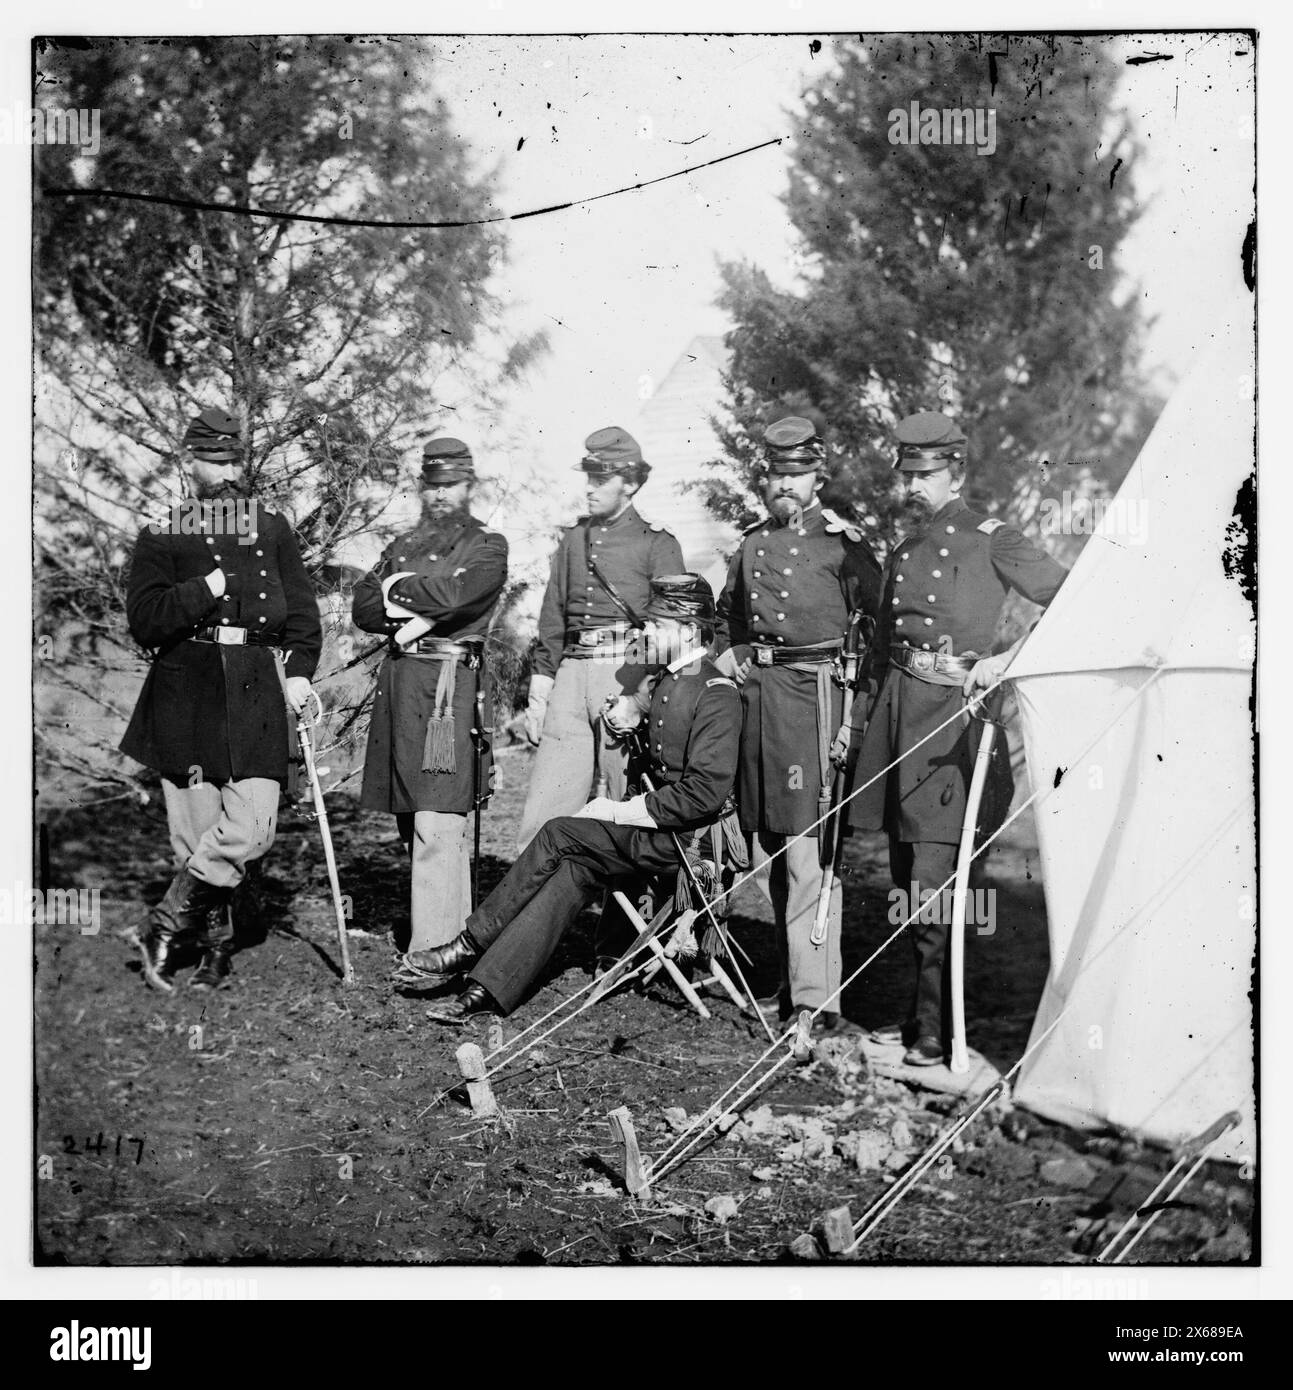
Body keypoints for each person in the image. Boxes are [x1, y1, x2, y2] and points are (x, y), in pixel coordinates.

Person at [394, 575, 740, 1025]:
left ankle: (469, 945)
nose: (645, 633)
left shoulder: (716, 693)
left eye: (657, 625)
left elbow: (702, 795)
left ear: (690, 631)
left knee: (559, 832)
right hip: (660, 832)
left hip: (691, 845)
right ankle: (484, 992)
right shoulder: (665, 681)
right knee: (572, 871)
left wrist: (617, 810)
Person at [844, 410, 1068, 1066]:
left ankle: (936, 1031)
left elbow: (1069, 595)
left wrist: (1008, 660)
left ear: (956, 472)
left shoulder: (991, 539)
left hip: (952, 722)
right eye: (906, 474)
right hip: (897, 713)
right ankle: (922, 1020)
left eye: (925, 473)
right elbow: (883, 644)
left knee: (934, 878)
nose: (913, 484)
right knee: (906, 873)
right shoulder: (905, 549)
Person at [120, 405, 321, 991]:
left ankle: (163, 921)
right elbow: (145, 620)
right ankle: (213, 950)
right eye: (213, 460)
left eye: (232, 457)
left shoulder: (273, 527)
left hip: (257, 687)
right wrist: (202, 589)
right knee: (196, 832)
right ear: (190, 463)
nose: (225, 469)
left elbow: (302, 614)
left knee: (254, 827)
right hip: (189, 692)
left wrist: (302, 672)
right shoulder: (162, 533)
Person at [714, 416, 883, 1033]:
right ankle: (793, 989)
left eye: (797, 474)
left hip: (817, 702)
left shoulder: (845, 546)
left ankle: (814, 1002)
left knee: (810, 853)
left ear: (818, 477)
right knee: (772, 847)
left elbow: (879, 632)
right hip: (761, 703)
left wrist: (857, 717)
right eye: (776, 475)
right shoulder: (753, 544)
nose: (785, 485)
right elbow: (728, 618)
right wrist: (730, 658)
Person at [352, 438, 509, 958]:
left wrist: (398, 585)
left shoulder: (488, 546)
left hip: (447, 685)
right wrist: (413, 586)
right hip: (400, 685)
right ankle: (453, 939)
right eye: (433, 486)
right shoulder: (401, 544)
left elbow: (462, 596)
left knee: (438, 822)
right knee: (411, 818)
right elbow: (364, 608)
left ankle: (431, 950)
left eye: (451, 485)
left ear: (468, 487)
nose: (441, 495)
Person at [516, 426, 683, 856]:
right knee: (547, 804)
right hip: (571, 674)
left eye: (600, 479)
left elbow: (675, 629)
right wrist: (541, 687)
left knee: (624, 803)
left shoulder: (657, 541)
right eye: (587, 478)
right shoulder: (574, 539)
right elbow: (552, 616)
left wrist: (644, 696)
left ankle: (626, 921)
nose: (589, 489)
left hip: (625, 674)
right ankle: (532, 916)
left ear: (630, 483)